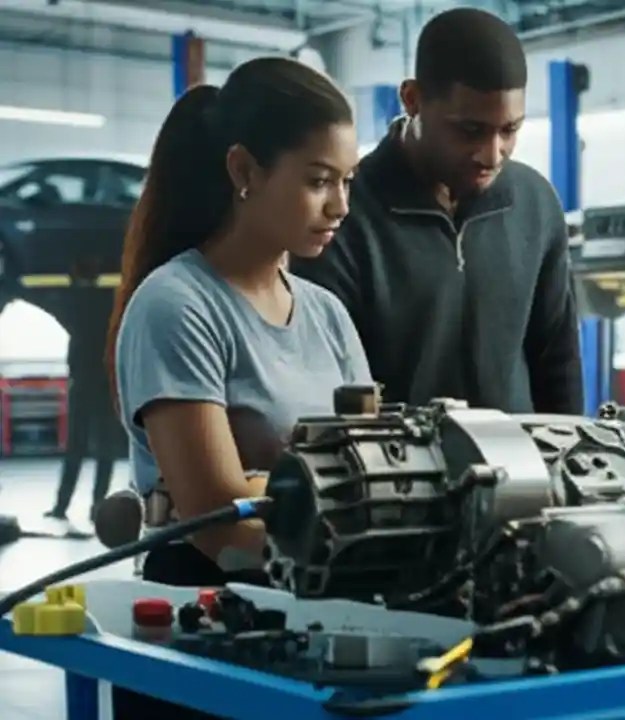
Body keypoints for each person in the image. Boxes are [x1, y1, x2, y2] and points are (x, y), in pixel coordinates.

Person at [107, 56, 370, 717]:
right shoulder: (177, 305)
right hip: (207, 635)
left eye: (347, 181)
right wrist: (306, 495)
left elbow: (386, 478)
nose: (340, 205)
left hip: (319, 620)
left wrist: (273, 488)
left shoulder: (327, 313)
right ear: (245, 171)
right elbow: (216, 522)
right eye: (318, 181)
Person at [289, 7, 584, 416]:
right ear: (413, 99)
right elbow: (323, 385)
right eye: (470, 130)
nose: (492, 154)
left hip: (527, 473)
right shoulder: (342, 215)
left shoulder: (535, 202)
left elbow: (558, 360)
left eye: (509, 130)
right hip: (395, 474)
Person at [45, 285, 122, 522]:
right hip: (103, 382)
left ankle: (62, 505)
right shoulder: (109, 304)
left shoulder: (77, 305)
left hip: (83, 382)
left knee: (76, 446)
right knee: (104, 448)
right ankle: (97, 505)